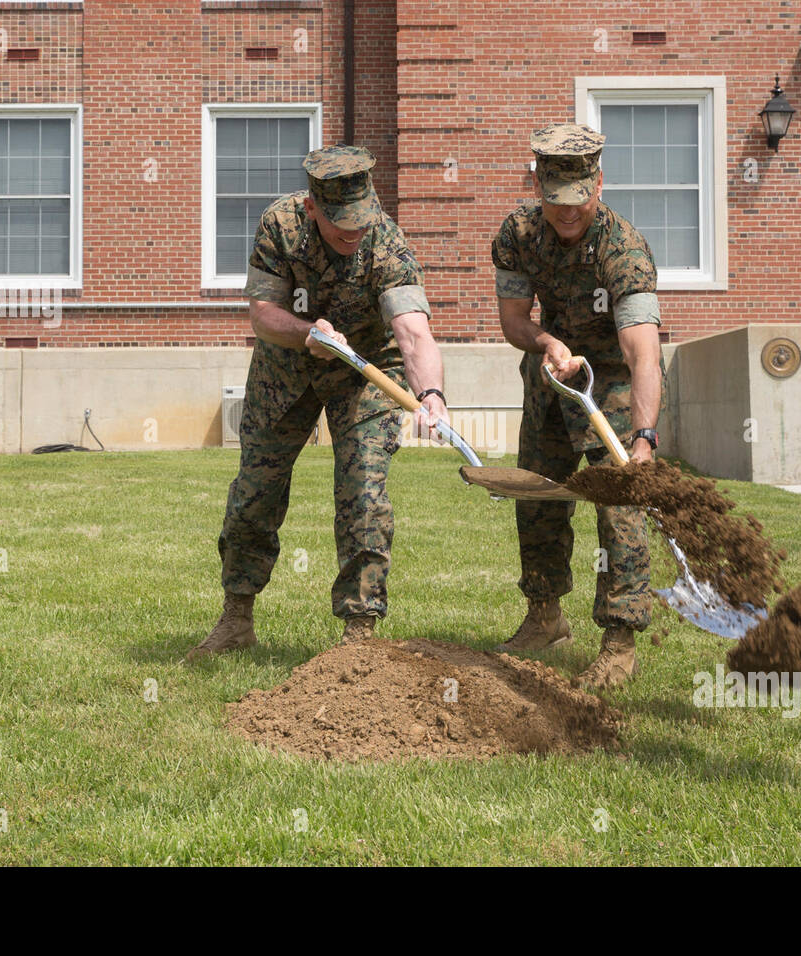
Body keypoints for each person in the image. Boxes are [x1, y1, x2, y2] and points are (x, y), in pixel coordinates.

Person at [188, 145, 448, 660]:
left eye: (361, 221)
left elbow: (413, 333)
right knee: (255, 493)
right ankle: (237, 618)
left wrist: (431, 396)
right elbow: (263, 315)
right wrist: (310, 335)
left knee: (364, 490)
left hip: (366, 372)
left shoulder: (387, 244)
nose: (354, 233)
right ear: (312, 208)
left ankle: (359, 635)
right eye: (340, 225)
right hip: (285, 367)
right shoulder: (280, 226)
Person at [490, 123, 666, 689]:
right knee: (537, 494)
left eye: (579, 201)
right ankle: (544, 617)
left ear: (599, 183)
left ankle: (619, 640)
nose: (567, 213)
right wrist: (546, 343)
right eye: (554, 201)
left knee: (618, 504)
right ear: (537, 183)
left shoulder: (625, 249)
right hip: (549, 376)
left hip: (609, 379)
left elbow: (643, 354)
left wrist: (642, 440)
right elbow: (515, 319)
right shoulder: (517, 233)